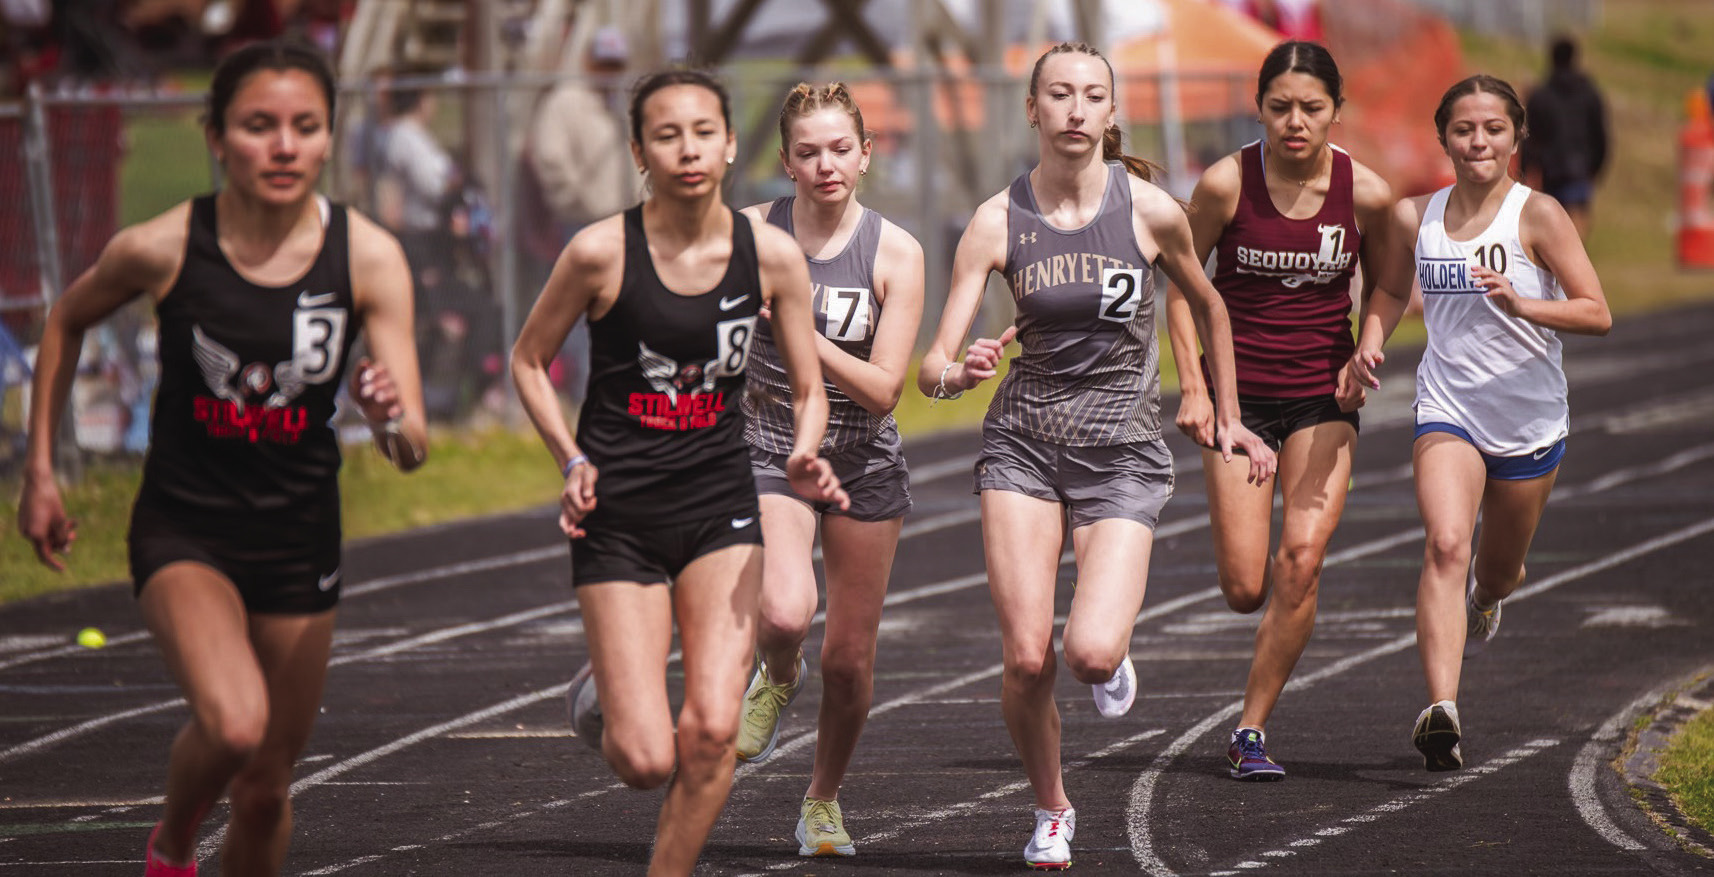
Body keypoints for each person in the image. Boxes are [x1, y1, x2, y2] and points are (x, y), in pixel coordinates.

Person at [15, 39, 427, 876]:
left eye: (304, 127)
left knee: (268, 789)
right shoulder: (163, 246)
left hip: (299, 538)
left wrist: (387, 416)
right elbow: (63, 320)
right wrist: (41, 472)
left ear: (327, 138)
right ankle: (171, 843)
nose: (283, 146)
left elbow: (410, 446)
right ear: (217, 136)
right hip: (187, 533)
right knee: (236, 724)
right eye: (258, 126)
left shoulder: (369, 256)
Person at [915, 42, 1275, 870]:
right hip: (1023, 446)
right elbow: (932, 366)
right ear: (1034, 111)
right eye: (1059, 95)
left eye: (1093, 96)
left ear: (1113, 115)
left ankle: (1107, 657)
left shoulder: (1150, 211)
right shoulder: (995, 220)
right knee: (1023, 654)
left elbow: (1211, 309)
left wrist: (1229, 418)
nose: (1076, 110)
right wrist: (956, 372)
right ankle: (1052, 808)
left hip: (1121, 453)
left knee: (1088, 652)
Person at [509, 69, 848, 877]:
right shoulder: (598, 252)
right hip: (619, 514)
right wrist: (572, 457)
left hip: (720, 506)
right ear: (638, 151)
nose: (688, 148)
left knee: (710, 732)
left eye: (704, 131)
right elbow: (527, 361)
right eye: (666, 134)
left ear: (730, 144)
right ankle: (604, 691)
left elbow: (808, 389)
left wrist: (803, 451)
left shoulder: (769, 255)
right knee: (644, 758)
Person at [1348, 74, 1610, 771]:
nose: (1478, 141)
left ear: (1516, 137)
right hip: (1449, 407)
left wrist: (1527, 306)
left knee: (1495, 572)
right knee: (1445, 542)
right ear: (1445, 139)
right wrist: (1371, 335)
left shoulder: (1540, 216)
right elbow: (1392, 288)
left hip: (1529, 420)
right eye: (1464, 130)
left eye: (1493, 128)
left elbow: (1596, 311)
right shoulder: (1416, 217)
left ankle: (1491, 596)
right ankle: (1443, 710)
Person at [1162, 40, 1394, 781]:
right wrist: (1196, 388)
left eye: (1311, 108)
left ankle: (1250, 730)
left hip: (1322, 397)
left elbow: (1390, 282)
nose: (1295, 122)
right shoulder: (1228, 184)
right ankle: (1253, 664)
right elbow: (1180, 285)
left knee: (1300, 558)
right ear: (1258, 106)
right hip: (1238, 399)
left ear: (1337, 110)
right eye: (1279, 107)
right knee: (1244, 587)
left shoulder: (1368, 194)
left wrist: (1371, 347)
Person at [732, 82, 924, 858]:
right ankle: (778, 671)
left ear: (866, 155)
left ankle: (822, 799)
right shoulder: (749, 233)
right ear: (784, 162)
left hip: (862, 457)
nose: (825, 165)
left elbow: (883, 391)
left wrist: (800, 330)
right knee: (785, 611)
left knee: (849, 662)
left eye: (840, 148)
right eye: (807, 152)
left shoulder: (895, 251)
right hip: (771, 444)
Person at [1519, 35, 1608, 239]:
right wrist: (1597, 167)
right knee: (1577, 223)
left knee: (1553, 223)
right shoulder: (1589, 93)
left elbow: (1529, 137)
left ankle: (1561, 267)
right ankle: (1575, 263)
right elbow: (1600, 134)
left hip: (1551, 170)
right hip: (1581, 168)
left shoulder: (1541, 95)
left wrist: (1525, 170)